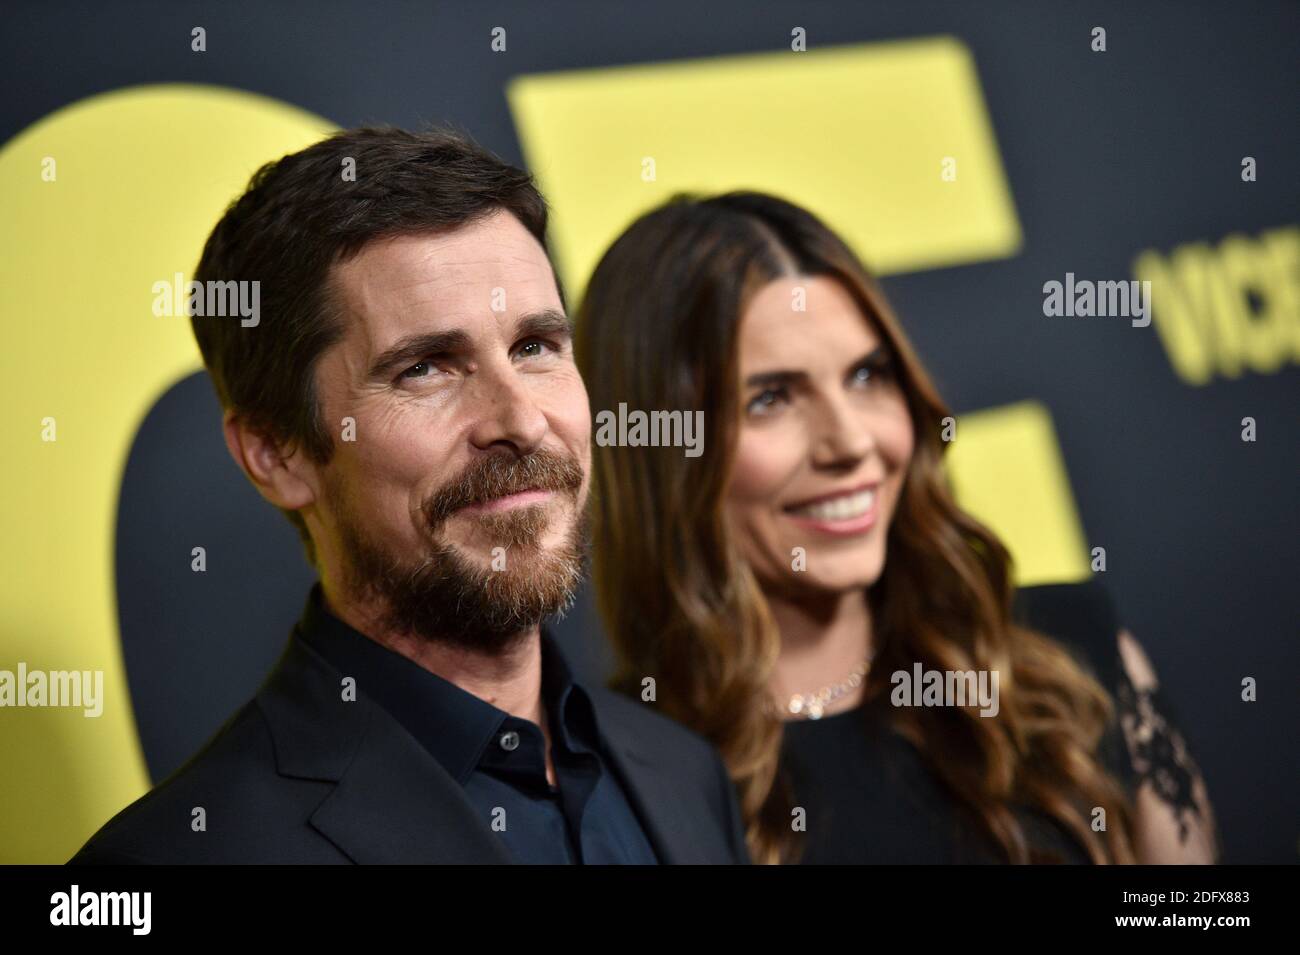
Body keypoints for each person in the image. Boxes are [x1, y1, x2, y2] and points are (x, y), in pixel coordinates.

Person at [68, 127, 748, 865]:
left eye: (534, 347)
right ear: (277, 452)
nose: (520, 421)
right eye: (426, 368)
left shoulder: (684, 773)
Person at [575, 191, 1220, 864]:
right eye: (770, 397)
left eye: (867, 375)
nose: (850, 441)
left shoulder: (1071, 660)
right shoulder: (620, 782)